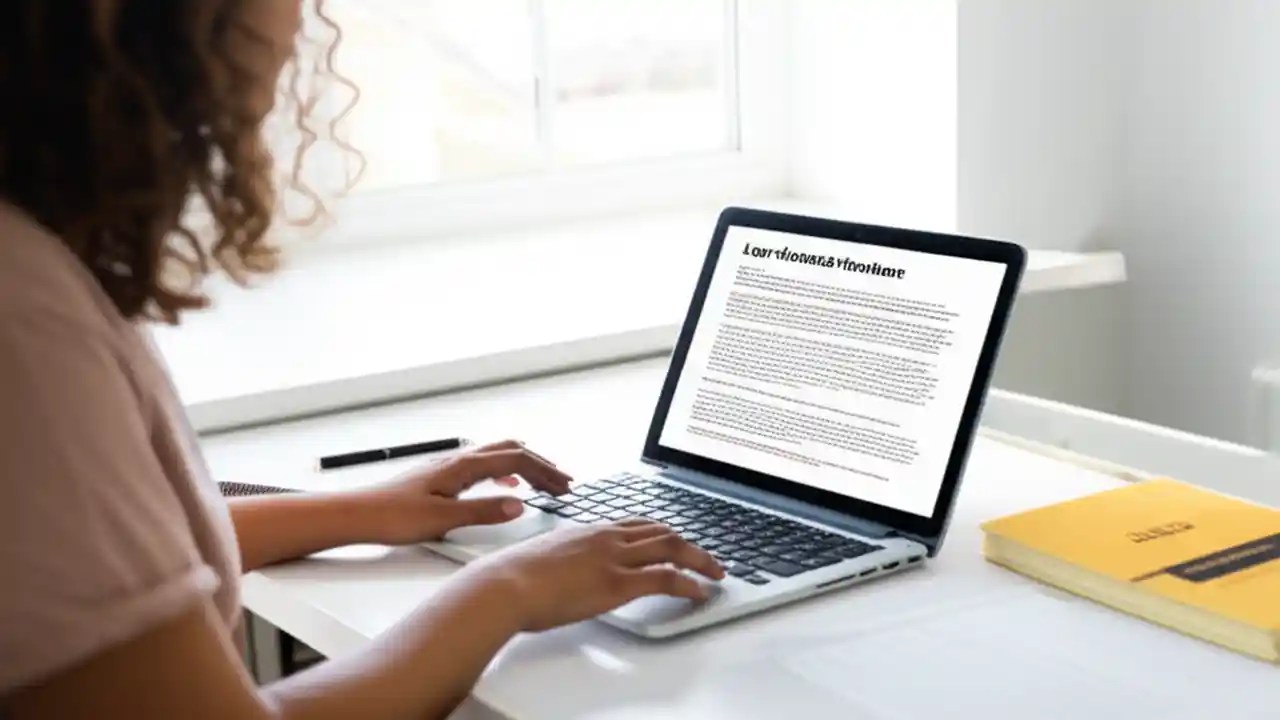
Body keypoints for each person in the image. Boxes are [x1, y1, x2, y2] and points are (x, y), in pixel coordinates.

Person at [0, 2, 724, 718]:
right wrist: (509, 589)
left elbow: (84, 565)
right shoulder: (24, 321)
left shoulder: (36, 256)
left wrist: (374, 510)